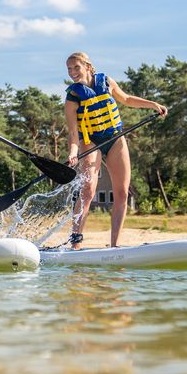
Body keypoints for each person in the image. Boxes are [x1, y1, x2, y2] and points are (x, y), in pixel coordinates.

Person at [63, 52, 167, 249]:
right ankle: (75, 244)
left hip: (115, 138)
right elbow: (73, 132)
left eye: (76, 67)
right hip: (90, 141)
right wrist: (73, 153)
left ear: (87, 66)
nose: (72, 72)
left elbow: (126, 99)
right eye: (69, 69)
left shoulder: (106, 81)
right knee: (88, 190)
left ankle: (115, 246)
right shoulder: (72, 96)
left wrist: (153, 105)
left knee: (122, 193)